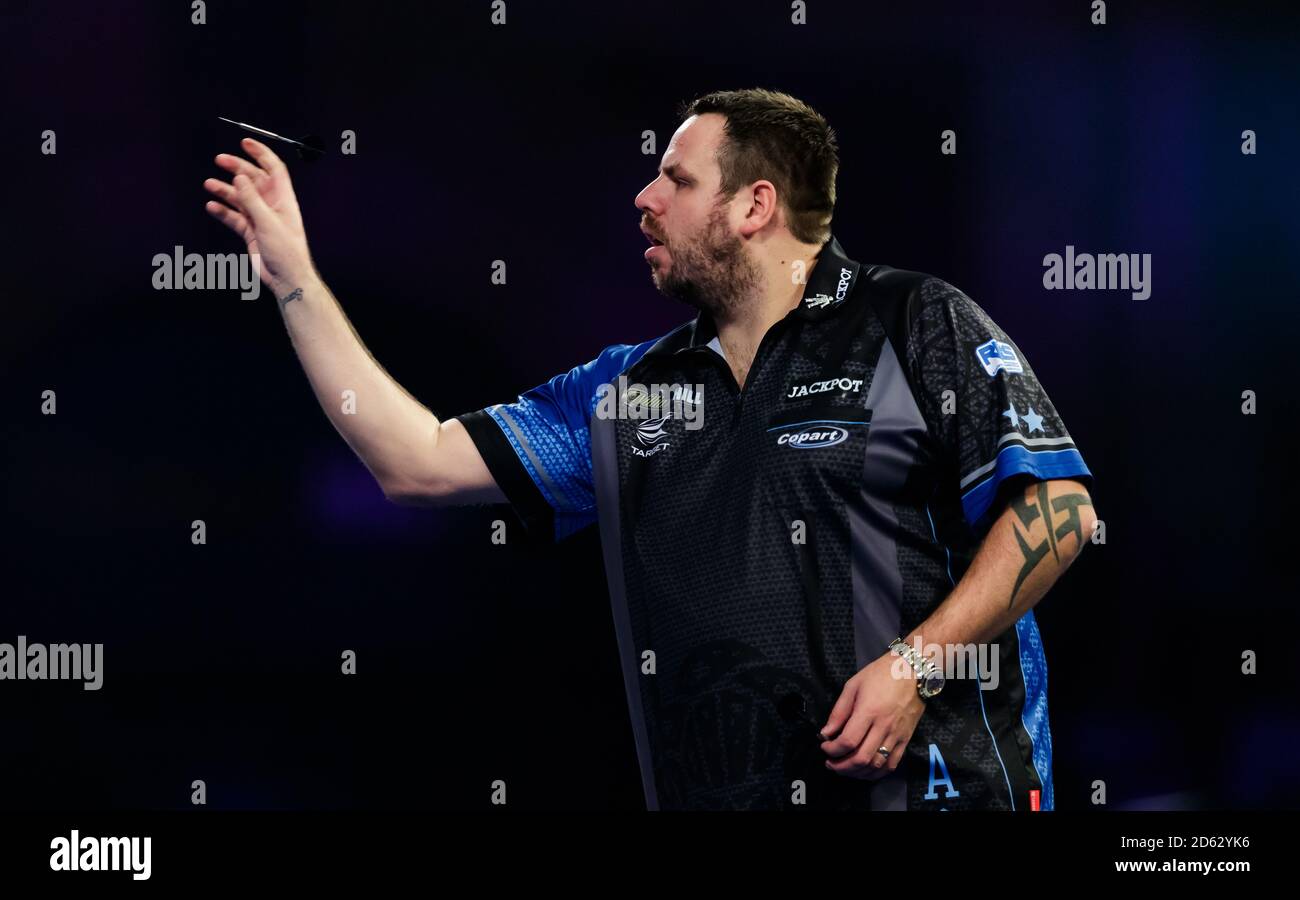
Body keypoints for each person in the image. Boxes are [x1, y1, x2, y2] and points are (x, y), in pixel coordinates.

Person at [204, 88, 1096, 811]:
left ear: (755, 205)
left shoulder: (914, 321)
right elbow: (416, 464)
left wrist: (916, 663)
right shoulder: (625, 391)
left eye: (675, 177)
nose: (644, 198)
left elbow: (1059, 510)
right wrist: (291, 275)